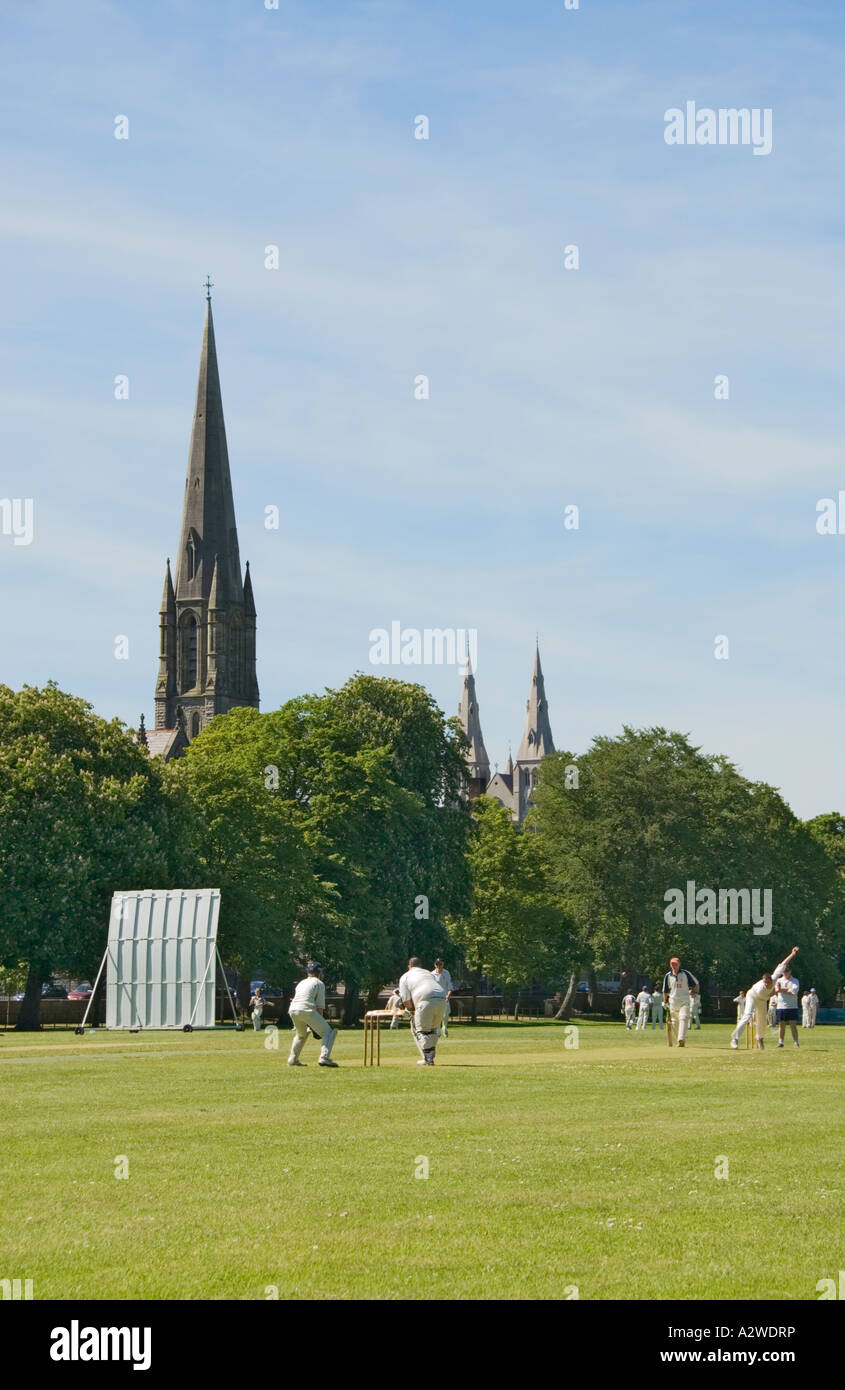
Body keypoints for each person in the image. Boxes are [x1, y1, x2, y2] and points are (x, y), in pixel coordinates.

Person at [729, 947, 799, 1051]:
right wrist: (776, 992)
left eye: (767, 982)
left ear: (771, 980)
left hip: (762, 1001)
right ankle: (735, 1039)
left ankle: (760, 1038)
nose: (766, 984)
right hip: (752, 996)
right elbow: (768, 995)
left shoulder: (774, 978)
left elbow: (782, 964)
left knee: (762, 1021)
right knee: (747, 1015)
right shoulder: (760, 988)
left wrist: (792, 954)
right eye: (764, 982)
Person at [287, 963, 338, 1068]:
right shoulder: (319, 983)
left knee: (301, 1035)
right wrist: (316, 1027)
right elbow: (319, 1007)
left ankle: (292, 1059)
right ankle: (324, 1058)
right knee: (328, 1032)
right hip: (306, 1009)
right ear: (319, 972)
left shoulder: (301, 982)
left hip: (293, 1010)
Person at [399, 957, 447, 1066]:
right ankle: (429, 1056)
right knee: (433, 1030)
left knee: (422, 1031)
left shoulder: (405, 977)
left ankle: (428, 1059)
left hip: (424, 1000)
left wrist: (412, 1010)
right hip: (442, 999)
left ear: (409, 967)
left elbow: (406, 1001)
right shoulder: (428, 973)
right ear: (420, 966)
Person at [662, 957, 699, 1048]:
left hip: (684, 1000)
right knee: (674, 1022)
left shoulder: (685, 973)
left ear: (679, 964)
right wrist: (665, 1001)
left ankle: (681, 1039)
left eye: (675, 964)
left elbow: (696, 984)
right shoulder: (668, 976)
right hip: (673, 1001)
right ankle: (680, 1040)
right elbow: (665, 990)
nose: (674, 966)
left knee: (683, 1017)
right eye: (672, 964)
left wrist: (694, 992)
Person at [773, 960, 800, 1048]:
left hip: (792, 1006)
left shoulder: (795, 980)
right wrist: (785, 989)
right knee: (781, 1025)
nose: (785, 973)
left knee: (793, 1025)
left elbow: (793, 991)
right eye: (784, 972)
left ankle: (796, 1042)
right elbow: (777, 990)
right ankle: (781, 1042)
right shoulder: (779, 980)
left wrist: (782, 990)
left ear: (790, 971)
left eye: (787, 971)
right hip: (781, 1006)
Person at [431, 959, 453, 1038]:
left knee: (445, 1015)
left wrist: (448, 995)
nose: (439, 966)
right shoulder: (432, 974)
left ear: (443, 964)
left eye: (440, 964)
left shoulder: (446, 973)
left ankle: (444, 1027)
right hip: (435, 998)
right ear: (435, 965)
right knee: (436, 1015)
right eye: (437, 964)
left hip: (444, 997)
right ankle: (437, 1029)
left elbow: (449, 985)